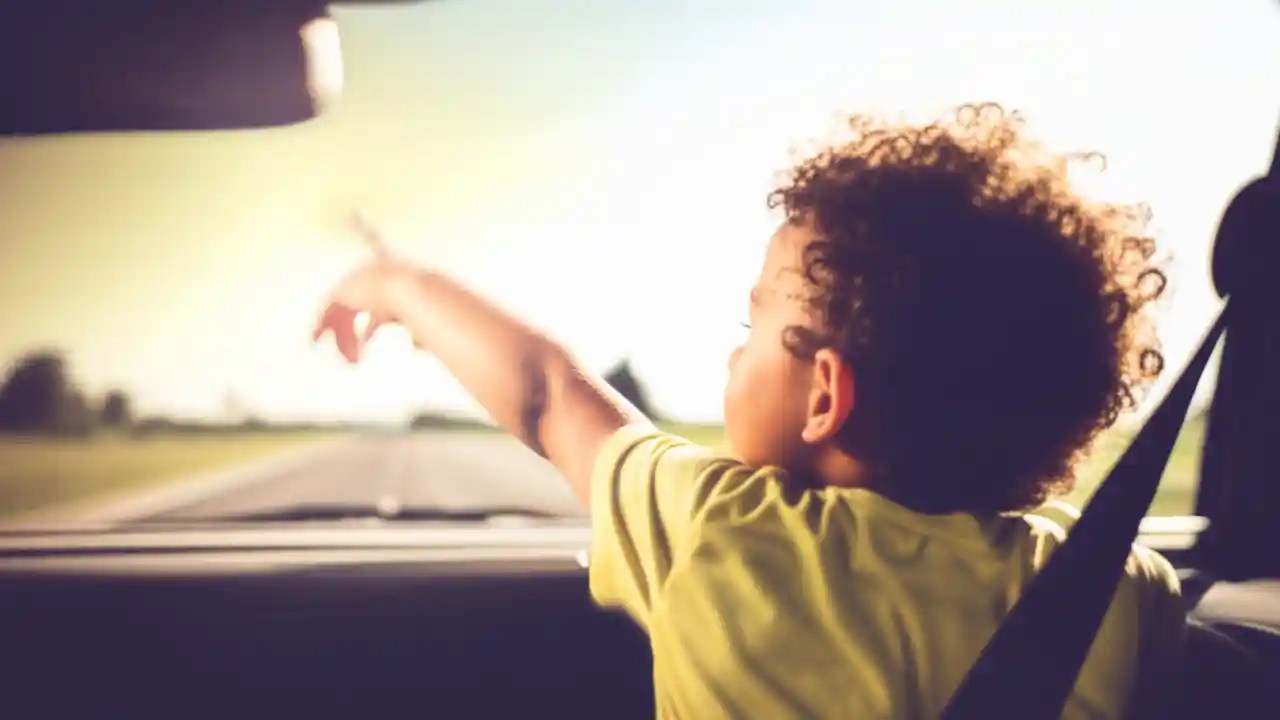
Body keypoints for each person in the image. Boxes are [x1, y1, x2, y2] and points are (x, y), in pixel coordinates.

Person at [312, 103, 1183, 719]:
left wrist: (399, 283)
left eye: (754, 324)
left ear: (826, 397)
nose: (734, 354)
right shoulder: (1116, 587)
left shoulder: (720, 528)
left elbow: (547, 393)